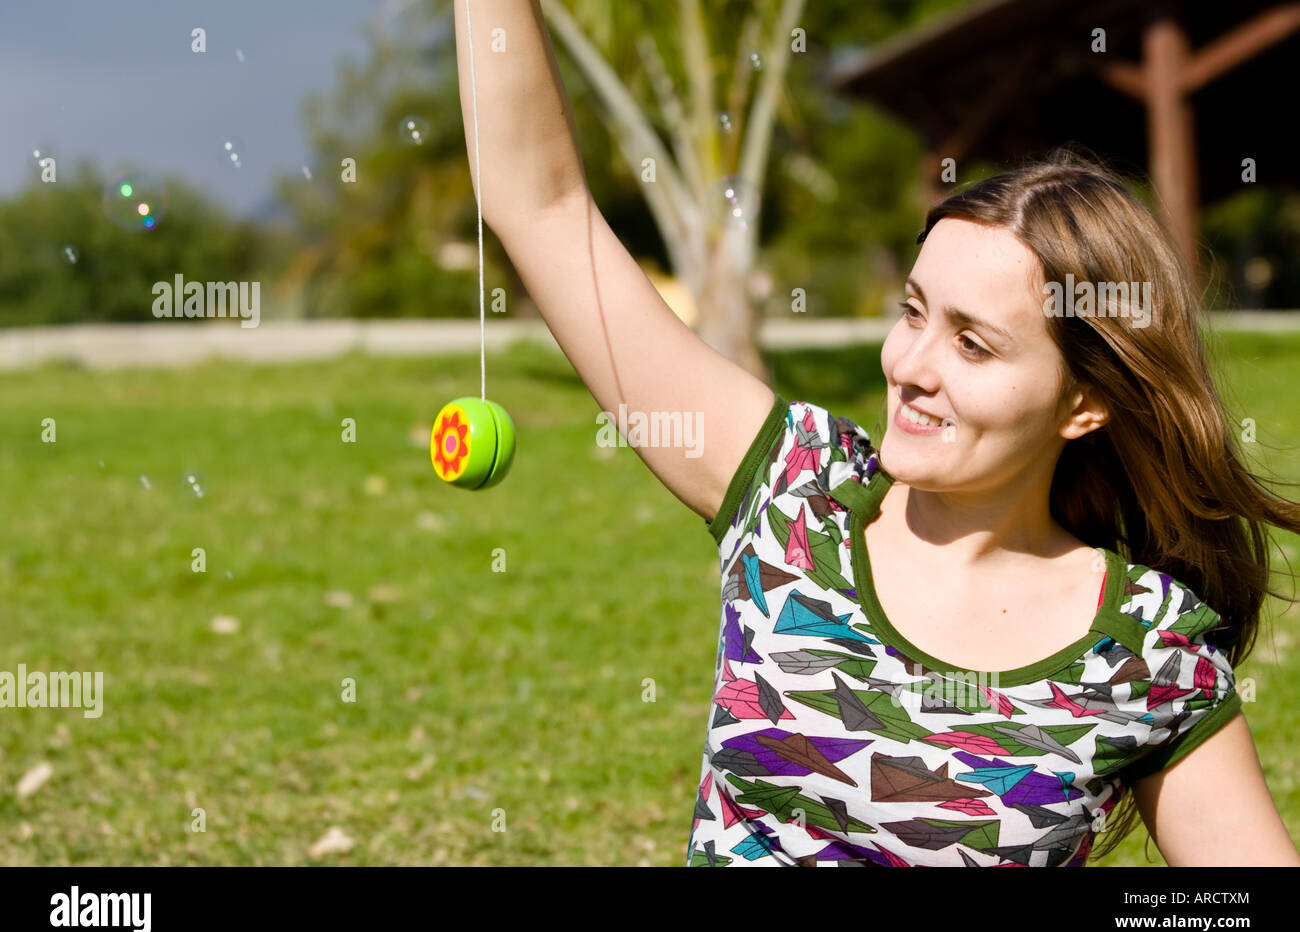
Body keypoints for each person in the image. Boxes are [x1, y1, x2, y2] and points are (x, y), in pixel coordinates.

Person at [453, 0, 1300, 866]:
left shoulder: (1142, 648)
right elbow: (542, 205)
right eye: (914, 313)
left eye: (972, 343)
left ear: (1084, 403)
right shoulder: (792, 492)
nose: (911, 366)